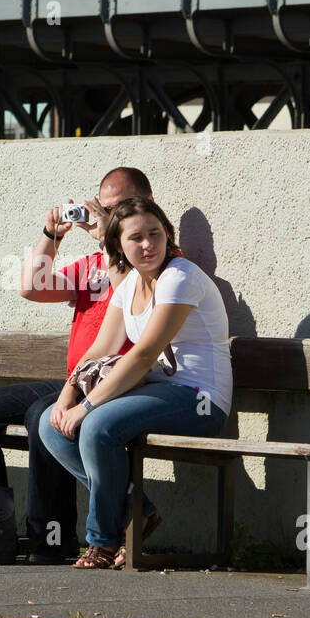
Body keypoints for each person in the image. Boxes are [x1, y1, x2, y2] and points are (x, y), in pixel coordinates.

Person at [0, 168, 152, 562]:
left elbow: (131, 291)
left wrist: (111, 241)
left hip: (119, 382)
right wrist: (52, 235)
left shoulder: (154, 258)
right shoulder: (93, 262)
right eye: (101, 208)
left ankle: (52, 540)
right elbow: (32, 287)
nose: (105, 217)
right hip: (75, 380)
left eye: (116, 210)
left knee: (41, 416)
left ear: (144, 206)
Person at [37, 196, 232, 569]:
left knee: (97, 426)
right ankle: (136, 510)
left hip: (199, 399)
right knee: (51, 425)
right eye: (136, 238)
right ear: (118, 247)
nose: (147, 245)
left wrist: (86, 407)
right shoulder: (128, 287)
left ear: (167, 236)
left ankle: (102, 543)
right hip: (158, 393)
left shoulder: (180, 277)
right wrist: (66, 397)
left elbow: (143, 354)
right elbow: (101, 348)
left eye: (155, 234)